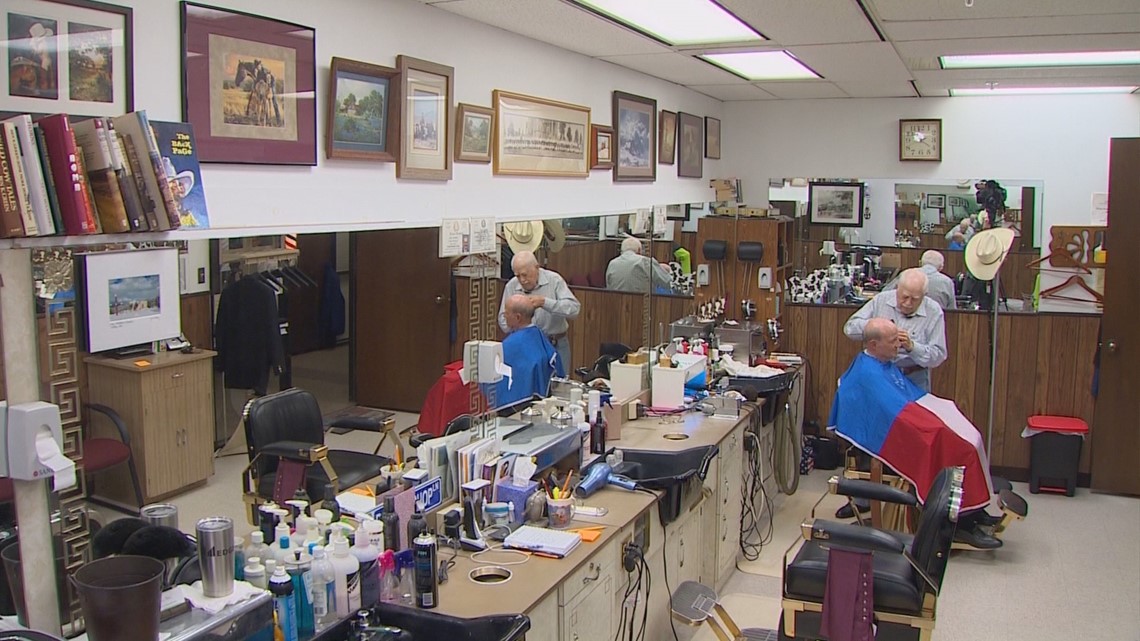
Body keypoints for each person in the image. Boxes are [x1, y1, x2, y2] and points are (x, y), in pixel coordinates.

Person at [831, 318, 1004, 549]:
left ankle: (973, 509)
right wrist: (931, 426)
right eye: (893, 342)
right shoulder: (866, 375)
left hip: (912, 420)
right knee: (952, 444)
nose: (898, 346)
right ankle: (961, 524)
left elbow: (904, 400)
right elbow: (888, 416)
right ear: (873, 345)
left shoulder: (882, 363)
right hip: (900, 435)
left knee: (967, 435)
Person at [843, 268, 947, 392]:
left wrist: (912, 347)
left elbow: (938, 356)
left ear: (924, 295)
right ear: (897, 288)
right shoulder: (881, 300)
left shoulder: (934, 311)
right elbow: (850, 328)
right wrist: (878, 327)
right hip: (879, 375)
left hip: (914, 379)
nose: (908, 303)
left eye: (915, 299)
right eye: (904, 297)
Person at [498, 251, 580, 371]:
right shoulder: (511, 285)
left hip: (555, 344)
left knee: (558, 386)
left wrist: (545, 303)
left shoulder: (554, 280)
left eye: (525, 275)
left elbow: (574, 309)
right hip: (525, 346)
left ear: (537, 268)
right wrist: (519, 318)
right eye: (518, 275)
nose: (522, 280)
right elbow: (503, 321)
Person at [491, 295, 564, 406]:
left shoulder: (511, 345)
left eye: (506, 312)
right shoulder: (538, 335)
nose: (504, 316)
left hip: (519, 408)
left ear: (518, 317)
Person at [883, 250, 956, 310]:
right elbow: (952, 309)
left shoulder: (906, 274)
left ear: (920, 263)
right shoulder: (947, 282)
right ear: (941, 267)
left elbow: (885, 293)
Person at [605, 237, 672, 294]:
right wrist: (663, 269)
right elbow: (668, 283)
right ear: (639, 250)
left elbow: (609, 286)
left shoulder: (612, 263)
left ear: (621, 251)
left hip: (616, 303)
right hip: (642, 305)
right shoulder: (645, 261)